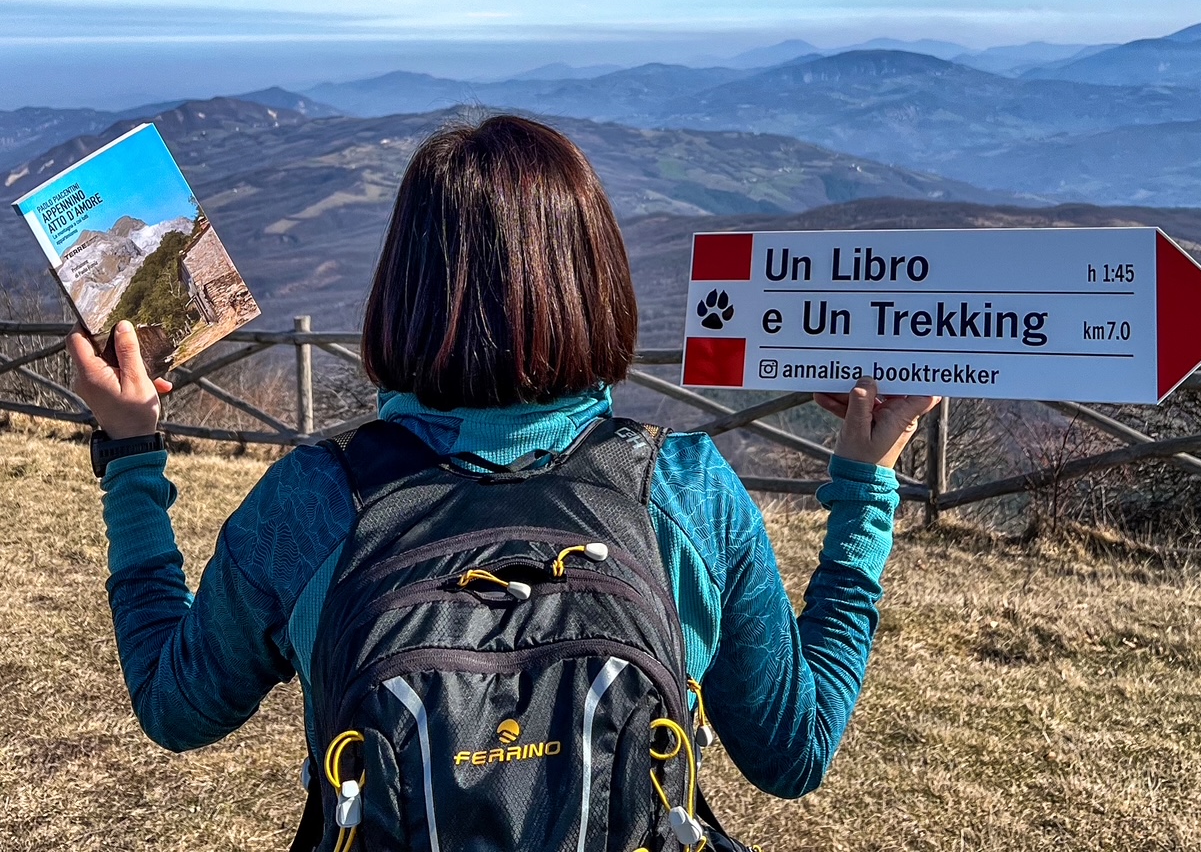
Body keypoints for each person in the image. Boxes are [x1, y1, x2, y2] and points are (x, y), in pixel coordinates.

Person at [71, 114, 937, 830]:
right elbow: (796, 751)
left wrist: (132, 455)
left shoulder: (315, 499)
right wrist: (863, 486)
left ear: (402, 284)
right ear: (595, 278)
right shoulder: (684, 490)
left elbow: (174, 706)